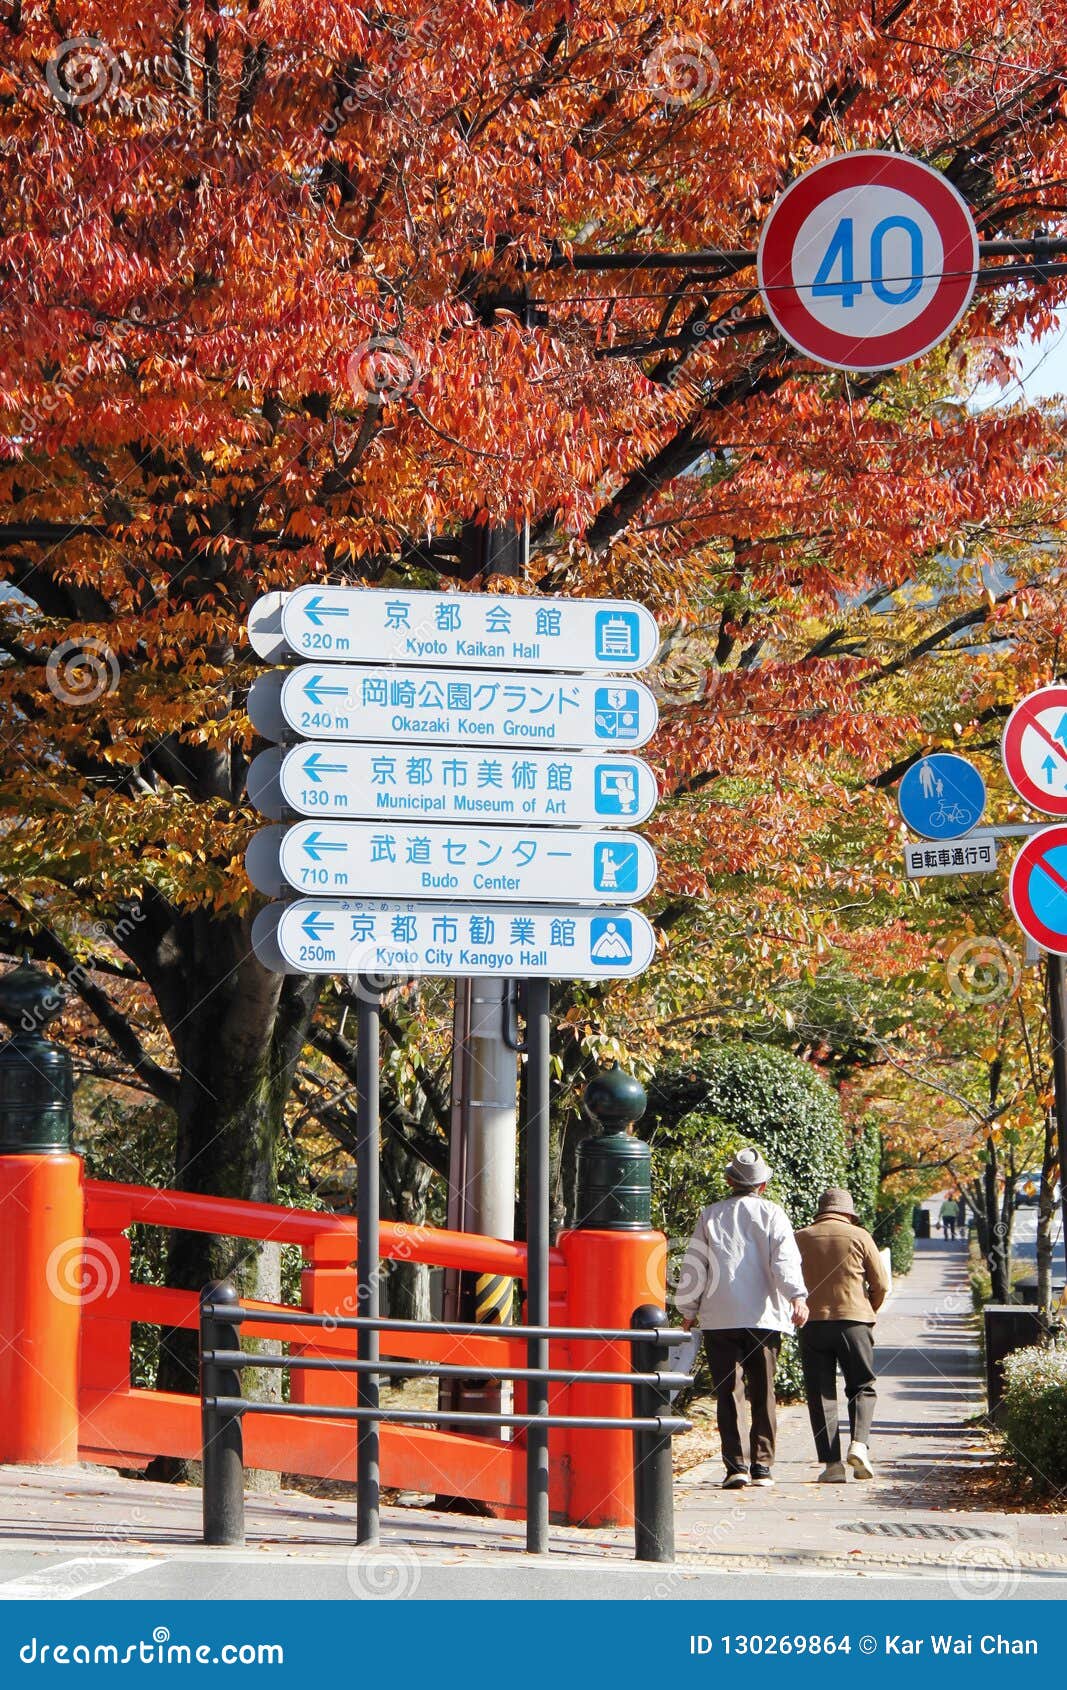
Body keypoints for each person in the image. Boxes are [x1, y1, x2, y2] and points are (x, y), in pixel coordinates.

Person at [676, 1147, 809, 1490]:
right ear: (762, 1185)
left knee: (728, 1393)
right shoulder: (773, 1214)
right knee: (764, 1391)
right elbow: (784, 1262)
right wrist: (797, 1296)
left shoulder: (711, 1215)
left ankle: (736, 1466)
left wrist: (688, 1310)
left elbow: (695, 1265)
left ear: (729, 1180)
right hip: (764, 1317)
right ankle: (762, 1467)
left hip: (720, 1316)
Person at [794, 1188, 890, 1484]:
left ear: (820, 1211)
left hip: (813, 1323)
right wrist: (867, 1310)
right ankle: (859, 1443)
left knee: (820, 1393)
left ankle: (832, 1465)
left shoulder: (800, 1237)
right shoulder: (860, 1236)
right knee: (862, 1385)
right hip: (854, 1322)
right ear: (848, 1213)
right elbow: (881, 1284)